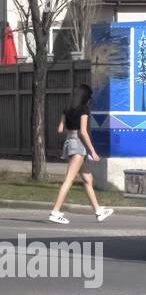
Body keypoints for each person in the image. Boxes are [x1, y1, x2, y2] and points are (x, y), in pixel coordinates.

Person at [48, 85, 113, 225]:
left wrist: (71, 133)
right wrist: (93, 151)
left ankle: (99, 211)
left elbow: (60, 129)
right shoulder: (83, 109)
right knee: (68, 179)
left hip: (70, 142)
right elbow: (83, 132)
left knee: (88, 179)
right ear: (86, 98)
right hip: (78, 145)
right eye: (89, 98)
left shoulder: (67, 109)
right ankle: (55, 212)